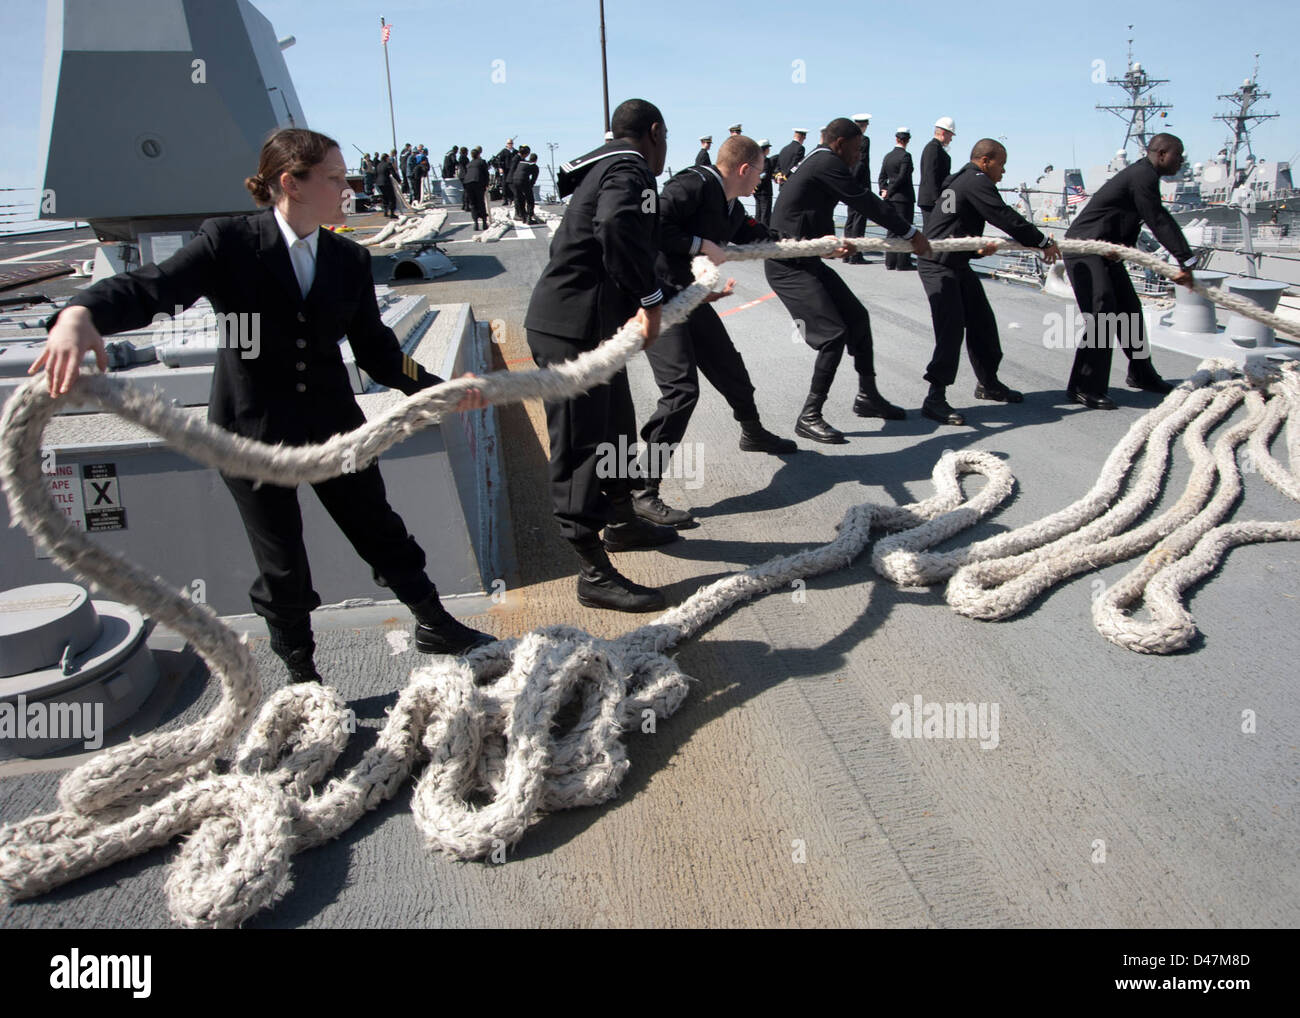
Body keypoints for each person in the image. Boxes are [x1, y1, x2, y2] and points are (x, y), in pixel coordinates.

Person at [30, 128, 494, 682]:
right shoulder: (229, 242)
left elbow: (379, 353)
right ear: (290, 182)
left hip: (332, 428)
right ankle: (301, 673)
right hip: (251, 433)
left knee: (380, 528)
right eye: (332, 178)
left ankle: (434, 622)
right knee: (282, 564)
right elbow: (152, 288)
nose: (347, 187)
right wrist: (79, 314)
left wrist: (436, 388)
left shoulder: (346, 258)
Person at [523, 98, 682, 612]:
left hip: (590, 327)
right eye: (666, 138)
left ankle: (621, 521)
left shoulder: (605, 165)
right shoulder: (630, 169)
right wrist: (651, 300)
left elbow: (621, 237)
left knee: (615, 426)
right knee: (581, 444)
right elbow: (614, 227)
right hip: (571, 332)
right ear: (655, 132)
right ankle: (592, 570)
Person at [633, 134, 798, 528]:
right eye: (760, 170)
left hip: (688, 298)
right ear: (745, 169)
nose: (762, 177)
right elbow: (650, 225)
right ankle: (640, 489)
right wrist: (700, 244)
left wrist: (804, 245)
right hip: (658, 301)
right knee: (681, 391)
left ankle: (753, 432)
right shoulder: (690, 185)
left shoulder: (729, 204)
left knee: (730, 369)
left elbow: (751, 233)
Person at [765, 117, 931, 443]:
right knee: (832, 335)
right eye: (856, 150)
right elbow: (865, 201)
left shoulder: (816, 159)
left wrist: (829, 245)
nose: (858, 157)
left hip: (805, 258)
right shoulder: (827, 161)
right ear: (839, 143)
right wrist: (911, 233)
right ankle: (809, 415)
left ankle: (867, 396)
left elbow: (803, 212)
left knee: (858, 317)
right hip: (788, 267)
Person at [918, 138, 1060, 425]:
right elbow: (1004, 216)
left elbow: (952, 224)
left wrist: (975, 247)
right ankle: (935, 397)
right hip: (938, 265)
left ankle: (988, 383)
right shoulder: (977, 181)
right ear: (986, 161)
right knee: (951, 329)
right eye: (1001, 165)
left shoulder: (960, 178)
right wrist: (1043, 241)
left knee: (982, 322)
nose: (1003, 172)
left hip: (956, 261)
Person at [1063, 132, 1195, 407]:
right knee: (1103, 312)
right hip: (1085, 249)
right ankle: (1083, 386)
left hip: (1106, 252)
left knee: (1130, 310)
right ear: (1161, 154)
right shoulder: (1142, 175)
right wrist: (1186, 260)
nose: (1181, 160)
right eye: (1178, 155)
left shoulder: (1144, 175)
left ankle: (1141, 374)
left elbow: (1145, 216)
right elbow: (1157, 218)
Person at [879, 127, 915, 269]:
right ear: (908, 140)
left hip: (890, 199)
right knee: (905, 229)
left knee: (892, 230)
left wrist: (884, 190)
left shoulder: (888, 156)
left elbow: (882, 176)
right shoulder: (906, 156)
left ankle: (890, 262)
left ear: (896, 139)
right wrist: (891, 191)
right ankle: (902, 262)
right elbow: (903, 177)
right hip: (903, 198)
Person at [842, 113, 873, 264]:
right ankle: (856, 254)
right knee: (859, 219)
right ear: (864, 125)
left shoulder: (847, 140)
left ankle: (846, 254)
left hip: (848, 182)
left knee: (850, 218)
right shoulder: (864, 140)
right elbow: (862, 162)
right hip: (860, 183)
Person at [918, 117, 955, 228]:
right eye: (951, 135)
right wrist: (936, 198)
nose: (951, 139)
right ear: (944, 133)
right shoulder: (933, 148)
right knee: (932, 232)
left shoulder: (936, 148)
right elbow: (930, 174)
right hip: (931, 200)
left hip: (935, 198)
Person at [463, 146, 490, 230]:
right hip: (478, 182)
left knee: (473, 203)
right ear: (479, 154)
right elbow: (486, 174)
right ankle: (484, 222)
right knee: (481, 202)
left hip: (468, 183)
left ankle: (475, 222)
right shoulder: (482, 162)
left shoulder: (469, 164)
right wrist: (486, 184)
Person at [753, 139, 775, 226]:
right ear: (765, 149)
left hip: (757, 191)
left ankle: (756, 233)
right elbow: (764, 175)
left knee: (758, 214)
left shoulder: (756, 161)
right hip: (764, 192)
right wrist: (757, 187)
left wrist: (753, 187)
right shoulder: (766, 160)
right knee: (765, 215)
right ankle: (764, 234)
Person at [510, 144, 532, 221]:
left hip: (515, 179)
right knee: (517, 197)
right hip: (512, 180)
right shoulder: (516, 159)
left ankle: (521, 213)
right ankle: (517, 214)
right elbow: (513, 169)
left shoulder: (519, 158)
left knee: (520, 197)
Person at [496, 139, 519, 207]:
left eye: (511, 143)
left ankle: (512, 199)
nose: (510, 144)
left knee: (512, 184)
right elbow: (499, 160)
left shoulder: (515, 152)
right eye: (509, 143)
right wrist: (500, 168)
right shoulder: (503, 151)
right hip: (506, 170)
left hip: (513, 170)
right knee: (504, 184)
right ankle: (505, 199)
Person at [374, 153, 398, 217]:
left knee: (384, 198)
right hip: (386, 182)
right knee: (392, 198)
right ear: (386, 158)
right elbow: (393, 173)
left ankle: (385, 212)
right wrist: (399, 181)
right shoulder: (388, 164)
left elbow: (375, 174)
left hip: (379, 183)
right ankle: (392, 213)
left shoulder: (378, 165)